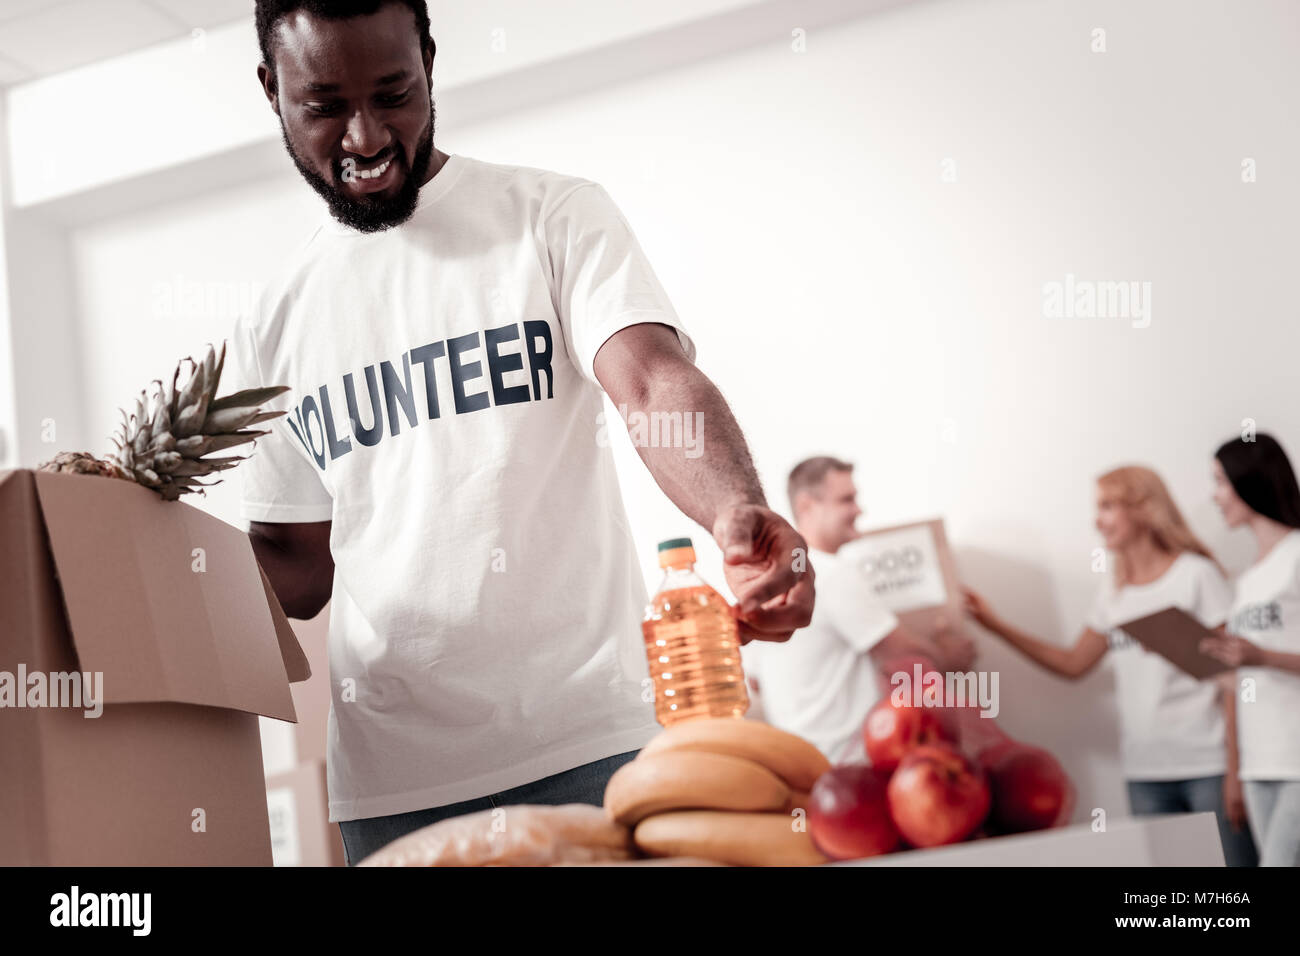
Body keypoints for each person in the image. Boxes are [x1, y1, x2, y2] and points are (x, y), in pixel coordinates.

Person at [233, 0, 814, 866]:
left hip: (603, 741)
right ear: (270, 90)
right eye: (324, 107)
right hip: (398, 788)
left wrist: (736, 509)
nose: (364, 138)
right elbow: (294, 567)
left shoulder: (549, 215)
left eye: (394, 94)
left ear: (430, 59)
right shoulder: (272, 320)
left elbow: (651, 380)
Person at [964, 465, 1258, 867]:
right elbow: (1072, 663)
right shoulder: (1114, 593)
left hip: (1208, 767)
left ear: (1142, 508)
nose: (1096, 521)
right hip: (1146, 774)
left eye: (1107, 506)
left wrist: (1236, 772)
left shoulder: (1195, 576)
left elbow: (1234, 680)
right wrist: (995, 625)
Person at [741, 456, 975, 764]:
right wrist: (949, 657)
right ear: (807, 506)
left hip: (802, 766)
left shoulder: (765, 584)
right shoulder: (831, 572)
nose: (858, 510)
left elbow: (756, 682)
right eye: (846, 500)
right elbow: (901, 653)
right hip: (852, 762)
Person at [1201, 433, 1300, 866]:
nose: (1215, 496)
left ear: (1250, 479)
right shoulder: (1246, 579)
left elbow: (1260, 658)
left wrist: (1263, 657)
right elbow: (1239, 680)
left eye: (1221, 481)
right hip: (1260, 762)